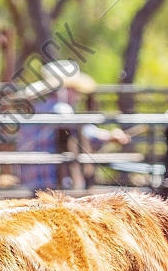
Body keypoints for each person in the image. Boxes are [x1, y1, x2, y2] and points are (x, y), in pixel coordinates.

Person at [15, 63, 129, 192]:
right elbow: (83, 130)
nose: (77, 96)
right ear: (65, 89)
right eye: (74, 90)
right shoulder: (60, 108)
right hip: (49, 178)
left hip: (30, 178)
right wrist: (109, 136)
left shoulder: (36, 107)